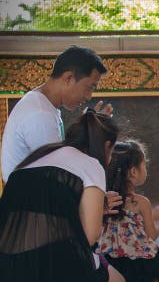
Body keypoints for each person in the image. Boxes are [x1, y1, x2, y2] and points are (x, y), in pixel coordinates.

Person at [0, 111, 126, 282]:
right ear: (106, 146)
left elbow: (39, 223)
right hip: (55, 276)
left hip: (7, 276)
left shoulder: (33, 160)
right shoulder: (90, 164)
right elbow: (89, 236)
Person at [1, 45, 113, 183]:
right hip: (30, 203)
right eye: (89, 87)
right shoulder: (40, 114)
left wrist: (89, 126)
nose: (89, 96)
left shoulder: (40, 104)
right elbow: (61, 174)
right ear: (68, 78)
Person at [97, 140, 159, 282]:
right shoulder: (140, 202)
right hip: (138, 259)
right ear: (133, 172)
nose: (146, 168)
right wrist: (157, 219)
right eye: (144, 165)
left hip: (110, 262)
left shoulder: (103, 200)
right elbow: (151, 236)